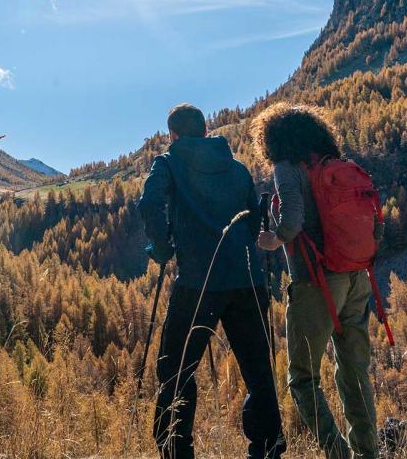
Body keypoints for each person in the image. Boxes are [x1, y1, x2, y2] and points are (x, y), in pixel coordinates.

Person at [139, 103, 285, 459]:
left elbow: (149, 202)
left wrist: (162, 246)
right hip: (246, 281)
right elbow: (253, 219)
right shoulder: (236, 169)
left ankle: (176, 450)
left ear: (172, 135)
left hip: (197, 283)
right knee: (258, 371)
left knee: (176, 371)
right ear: (207, 131)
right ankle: (266, 450)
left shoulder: (168, 163)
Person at [252, 103, 381, 459]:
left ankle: (337, 454)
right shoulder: (331, 162)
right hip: (357, 276)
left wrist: (272, 238)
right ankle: (367, 453)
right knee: (355, 372)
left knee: (303, 378)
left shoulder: (286, 167)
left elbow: (291, 222)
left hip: (317, 283)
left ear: (272, 138)